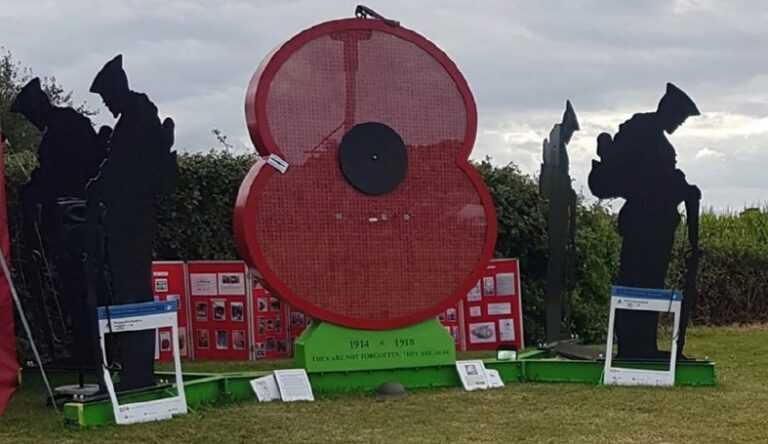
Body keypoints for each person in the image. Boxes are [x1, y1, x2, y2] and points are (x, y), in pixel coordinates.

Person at [589, 83, 701, 359]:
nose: (679, 124)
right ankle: (632, 347)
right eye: (680, 118)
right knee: (637, 283)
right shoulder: (642, 132)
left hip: (656, 226)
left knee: (650, 285)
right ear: (668, 110)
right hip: (643, 225)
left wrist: (682, 187)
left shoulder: (655, 138)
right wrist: (679, 186)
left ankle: (644, 345)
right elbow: (646, 180)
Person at [88, 54, 176, 390]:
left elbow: (119, 168)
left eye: (106, 97)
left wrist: (97, 187)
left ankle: (138, 372)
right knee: (131, 290)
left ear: (117, 90)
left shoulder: (136, 117)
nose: (107, 104)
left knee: (132, 292)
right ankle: (136, 368)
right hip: (130, 218)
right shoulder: (135, 116)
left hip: (131, 221)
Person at [10, 78, 106, 364]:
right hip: (75, 216)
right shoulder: (65, 124)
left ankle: (88, 350)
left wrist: (32, 191)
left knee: (79, 286)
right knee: (74, 287)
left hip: (75, 218)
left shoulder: (62, 127)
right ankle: (84, 348)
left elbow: (57, 173)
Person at [539, 100, 579, 343]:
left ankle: (559, 328)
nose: (571, 136)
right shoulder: (555, 148)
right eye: (571, 132)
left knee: (562, 266)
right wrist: (567, 191)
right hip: (558, 213)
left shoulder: (558, 147)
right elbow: (553, 182)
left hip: (561, 210)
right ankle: (553, 329)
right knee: (556, 268)